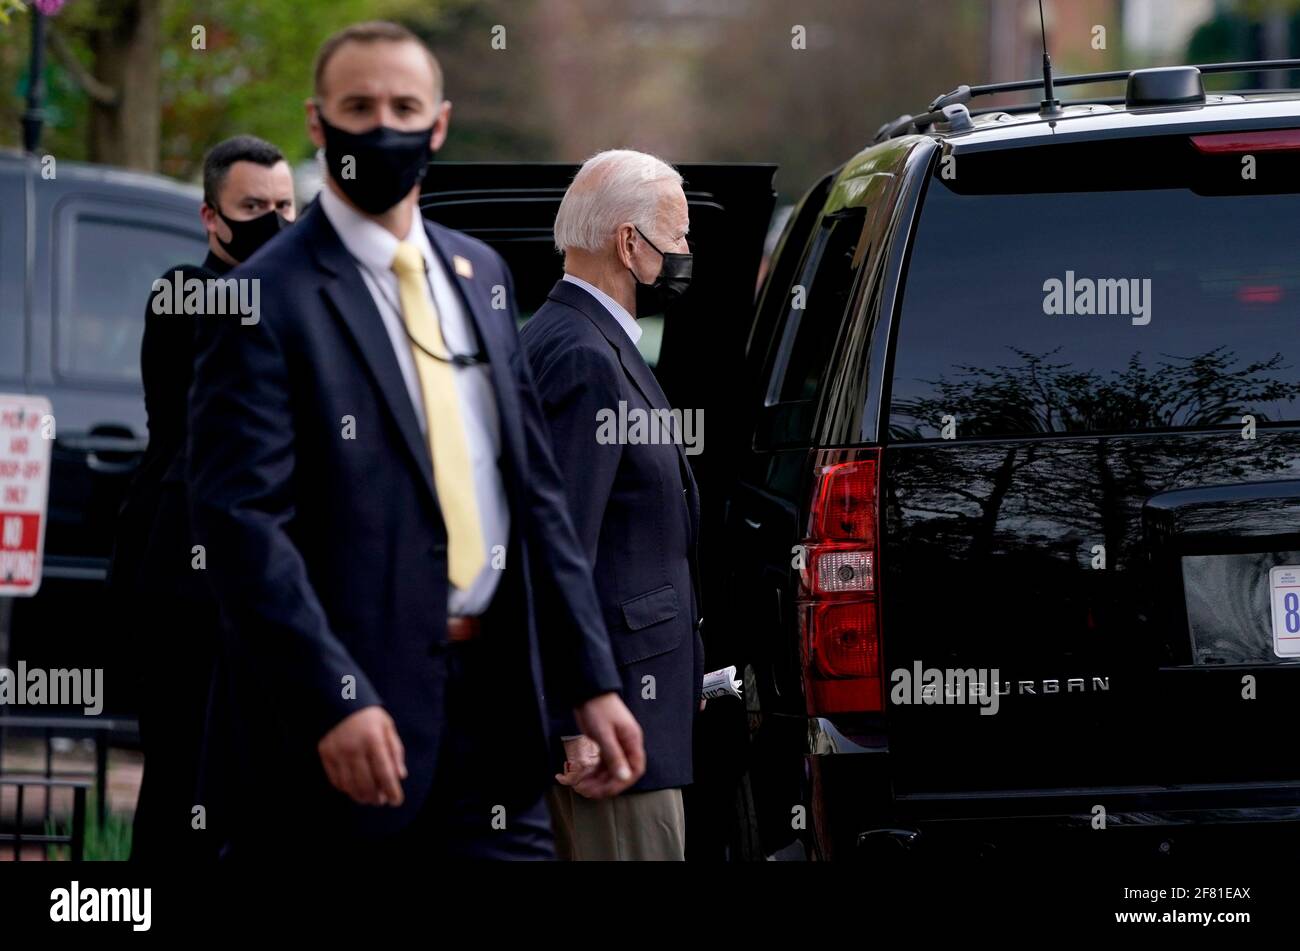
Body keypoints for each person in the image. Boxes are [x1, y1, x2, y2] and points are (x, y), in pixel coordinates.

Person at [186, 21, 643, 861]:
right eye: (359, 106)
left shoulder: (484, 276)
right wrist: (333, 696)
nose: (382, 126)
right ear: (319, 124)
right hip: (348, 743)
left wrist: (592, 680)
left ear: (438, 124)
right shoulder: (262, 298)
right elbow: (242, 523)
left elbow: (536, 495)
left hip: (497, 723)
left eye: (404, 106)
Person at [110, 135, 296, 862]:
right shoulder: (187, 292)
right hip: (183, 583)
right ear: (211, 217)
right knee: (183, 778)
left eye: (285, 206)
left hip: (257, 580)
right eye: (253, 208)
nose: (274, 222)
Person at [520, 150, 704, 860]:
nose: (686, 252)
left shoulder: (574, 339)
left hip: (630, 708)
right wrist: (574, 710)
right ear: (630, 242)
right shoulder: (583, 358)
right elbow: (558, 548)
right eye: (678, 235)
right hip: (614, 726)